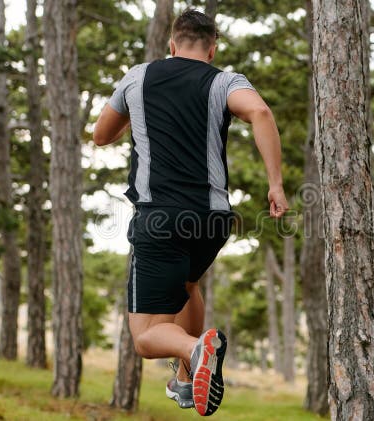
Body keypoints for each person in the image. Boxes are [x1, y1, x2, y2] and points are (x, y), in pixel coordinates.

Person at [93, 9, 288, 417]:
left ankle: (194, 350)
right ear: (212, 50)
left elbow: (101, 135)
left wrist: (137, 114)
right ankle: (186, 378)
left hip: (160, 218)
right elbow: (262, 113)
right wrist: (276, 184)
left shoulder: (138, 77)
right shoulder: (225, 81)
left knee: (145, 339)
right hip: (212, 220)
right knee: (187, 286)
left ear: (172, 44)